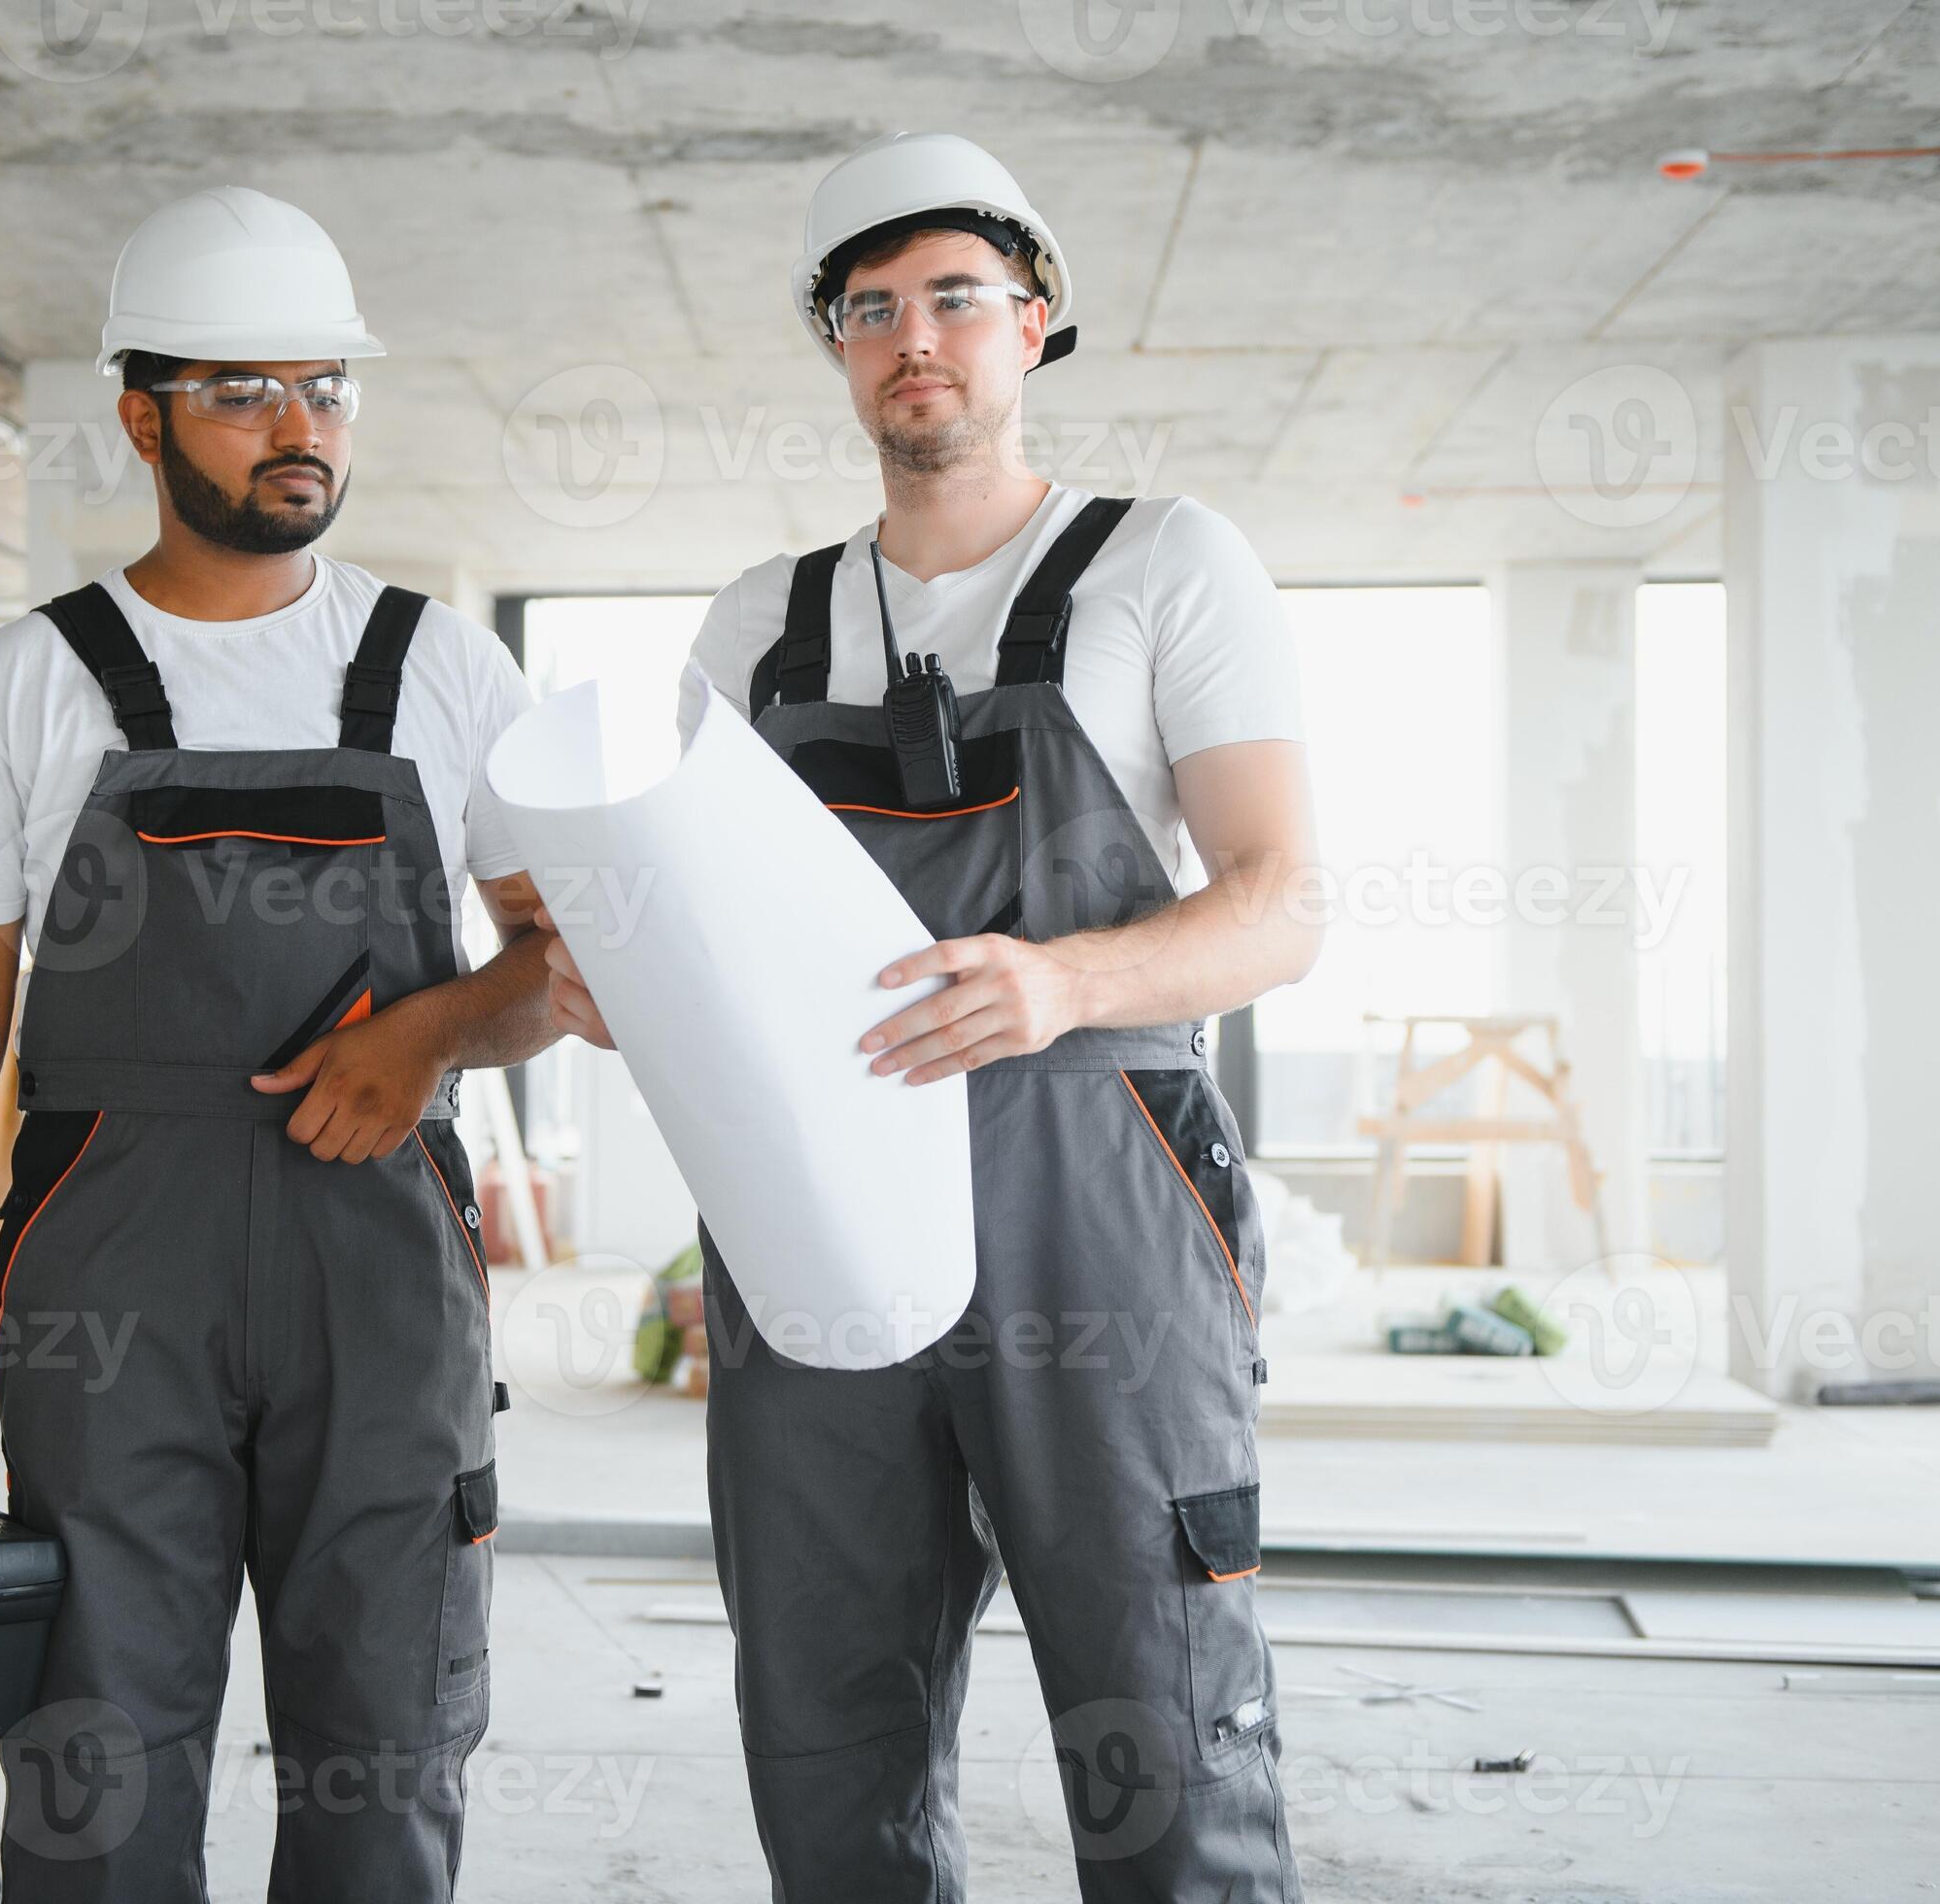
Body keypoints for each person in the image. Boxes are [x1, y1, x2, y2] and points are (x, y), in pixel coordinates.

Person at [544, 132, 1320, 1901]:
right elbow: (700, 930)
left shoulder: (1165, 566)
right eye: (870, 307)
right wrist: (619, 981)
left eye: (956, 297)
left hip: (1095, 1194)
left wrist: (1062, 981)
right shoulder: (763, 621)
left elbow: (1280, 904)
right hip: (813, 1196)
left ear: (1034, 323)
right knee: (826, 1709)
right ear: (835, 346)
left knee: (1160, 1697)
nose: (915, 337)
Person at [0, 185, 557, 1902]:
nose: (297, 428)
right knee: (96, 1741)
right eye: (243, 391)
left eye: (324, 387)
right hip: (111, 1277)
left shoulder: (442, 671)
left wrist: (435, 1034)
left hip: (380, 1271)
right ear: (140, 414)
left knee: (386, 1739)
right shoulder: (26, 682)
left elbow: (567, 965)